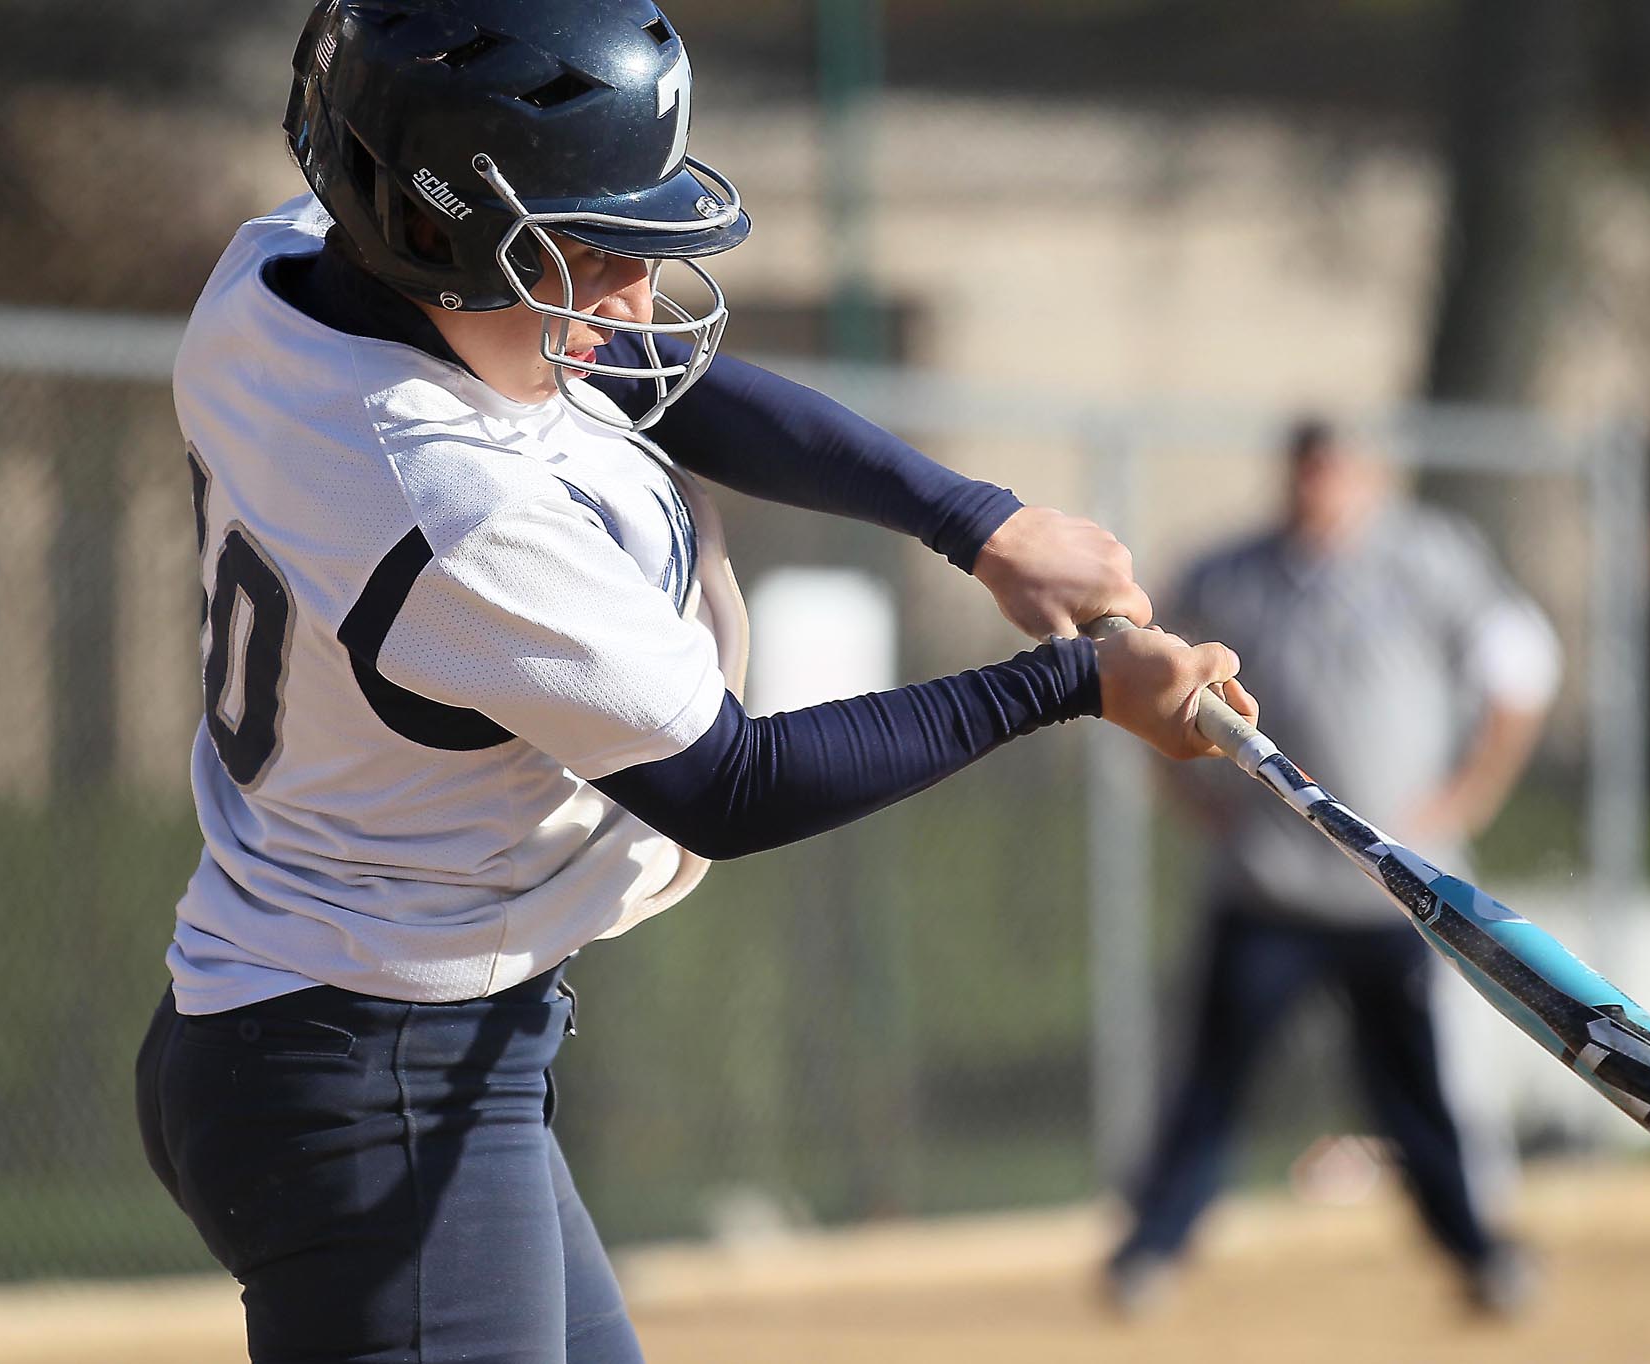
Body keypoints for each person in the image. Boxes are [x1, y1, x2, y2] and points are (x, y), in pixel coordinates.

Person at [134, 4, 1256, 1361]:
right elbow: (728, 781)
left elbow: (672, 386)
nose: (631, 297)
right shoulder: (452, 507)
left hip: (390, 1043)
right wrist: (1069, 687)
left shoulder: (287, 273)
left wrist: (980, 526)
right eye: (596, 250)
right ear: (433, 231)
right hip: (373, 1078)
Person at [1103, 416, 1560, 1318]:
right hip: (1269, 885)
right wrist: (1190, 800)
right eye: (1307, 467)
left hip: (1391, 895)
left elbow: (1523, 666)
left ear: (1369, 474)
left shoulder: (1429, 559)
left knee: (1415, 1091)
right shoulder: (1232, 572)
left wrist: (1470, 793)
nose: (1321, 485)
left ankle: (1479, 1255)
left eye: (1338, 467)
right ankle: (1151, 1249)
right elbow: (1144, 678)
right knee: (1212, 1080)